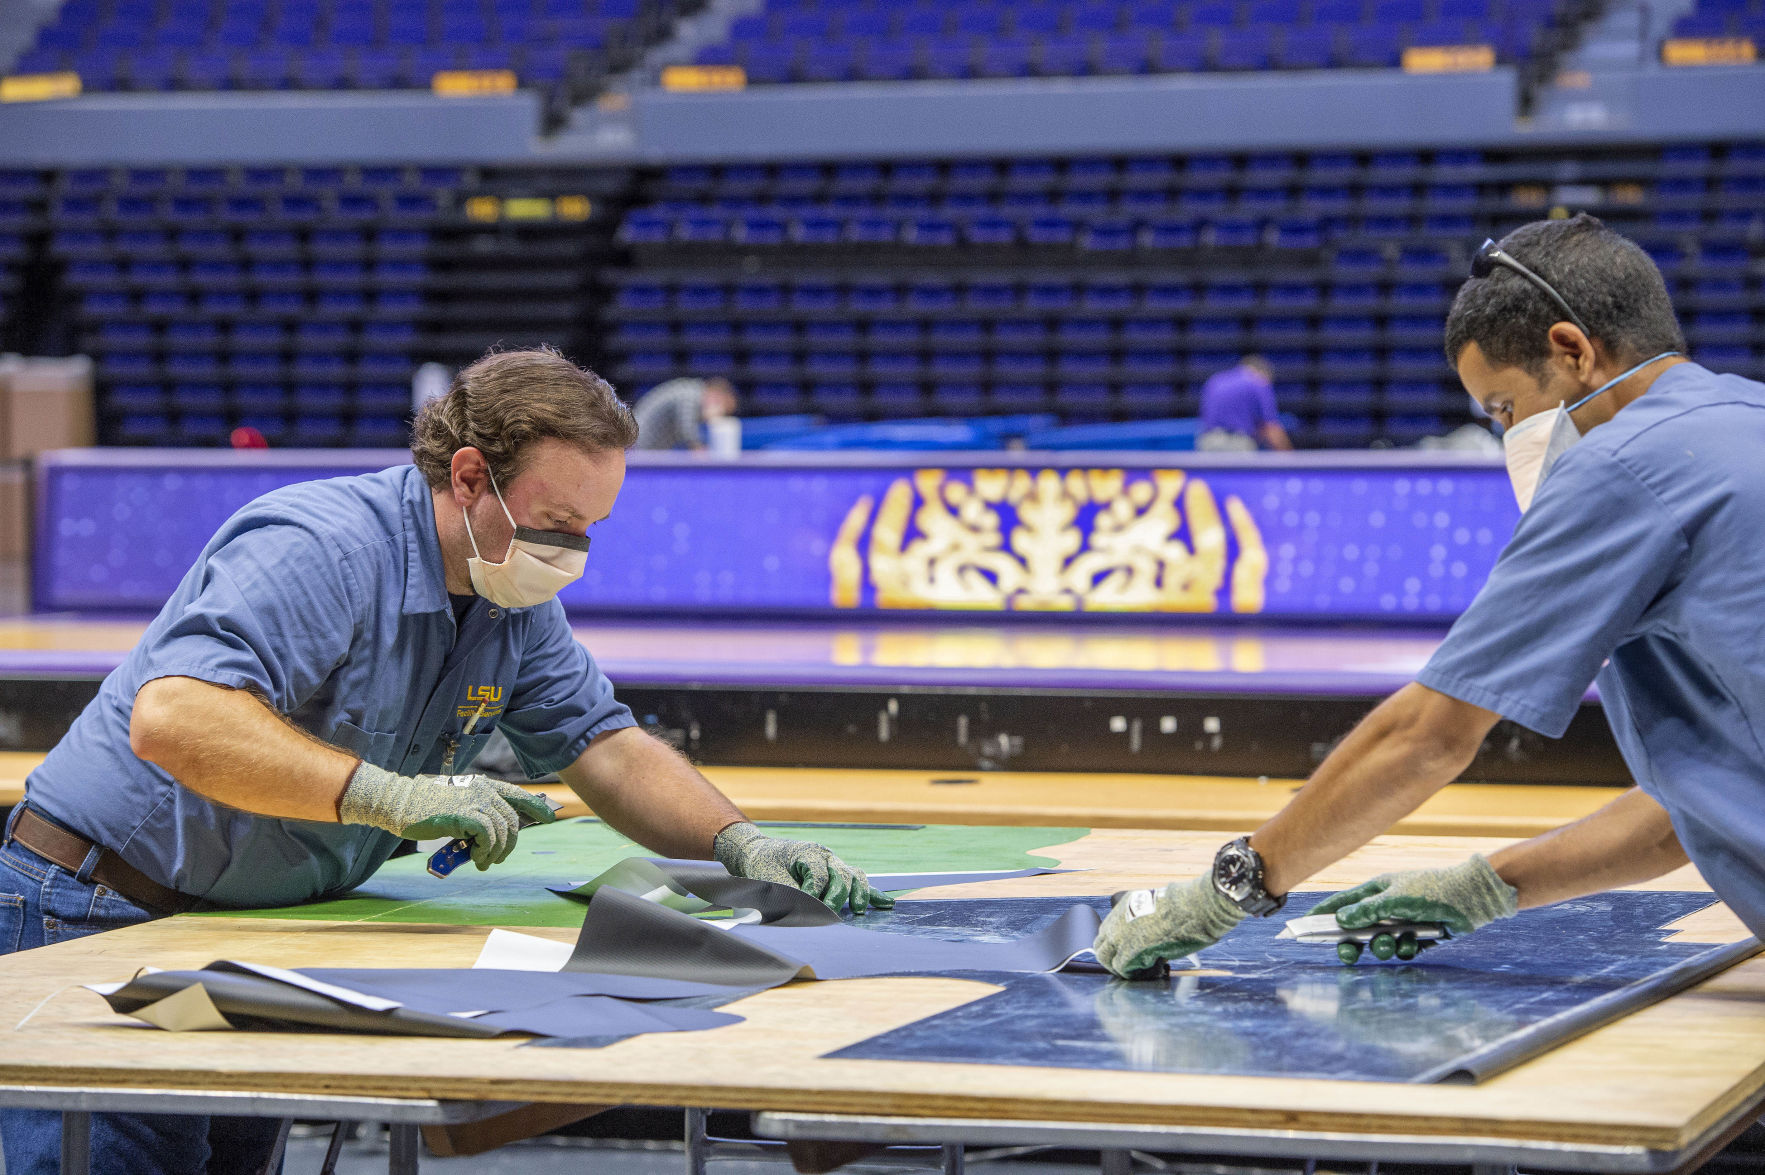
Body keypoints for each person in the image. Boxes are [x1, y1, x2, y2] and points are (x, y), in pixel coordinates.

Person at [0, 347, 889, 1174]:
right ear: (469, 476)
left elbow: (603, 744)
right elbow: (175, 717)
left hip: (246, 931)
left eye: (590, 527)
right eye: (556, 521)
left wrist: (739, 843)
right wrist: (387, 794)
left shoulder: (510, 600)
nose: (572, 551)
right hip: (101, 909)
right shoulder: (322, 547)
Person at [1092, 213, 1765, 978]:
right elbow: (1706, 807)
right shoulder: (1745, 417)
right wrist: (1485, 887)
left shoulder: (1618, 465)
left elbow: (1428, 735)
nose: (1506, 433)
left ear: (1571, 350)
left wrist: (1231, 887)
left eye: (1504, 408)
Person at [1197, 356, 1293, 452]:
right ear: (1262, 372)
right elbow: (1271, 429)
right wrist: (1289, 458)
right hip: (1238, 446)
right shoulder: (1259, 382)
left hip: (1207, 443)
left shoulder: (1215, 380)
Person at [632, 375, 738, 451]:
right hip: (639, 442)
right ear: (716, 396)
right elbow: (686, 429)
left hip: (647, 445)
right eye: (723, 407)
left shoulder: (693, 392)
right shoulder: (691, 394)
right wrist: (699, 449)